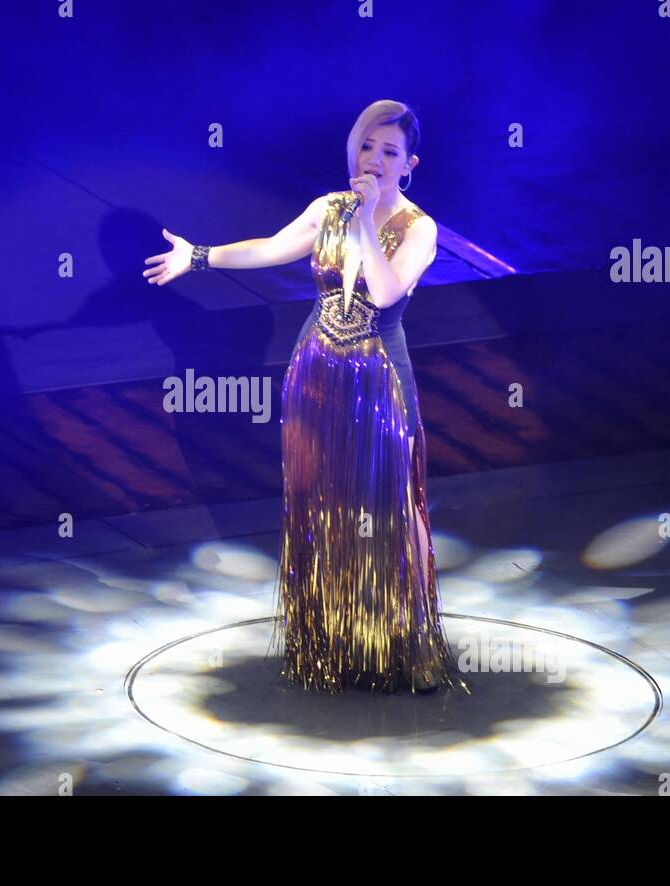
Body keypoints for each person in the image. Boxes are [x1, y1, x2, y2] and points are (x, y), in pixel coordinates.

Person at [143, 100, 470, 696]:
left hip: (378, 374)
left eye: (389, 152)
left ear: (409, 164)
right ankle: (335, 642)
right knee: (326, 502)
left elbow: (387, 288)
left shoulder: (419, 228)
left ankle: (405, 647)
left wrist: (367, 218)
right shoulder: (327, 208)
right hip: (317, 369)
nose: (374, 159)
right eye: (367, 146)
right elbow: (270, 248)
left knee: (392, 500)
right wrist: (199, 256)